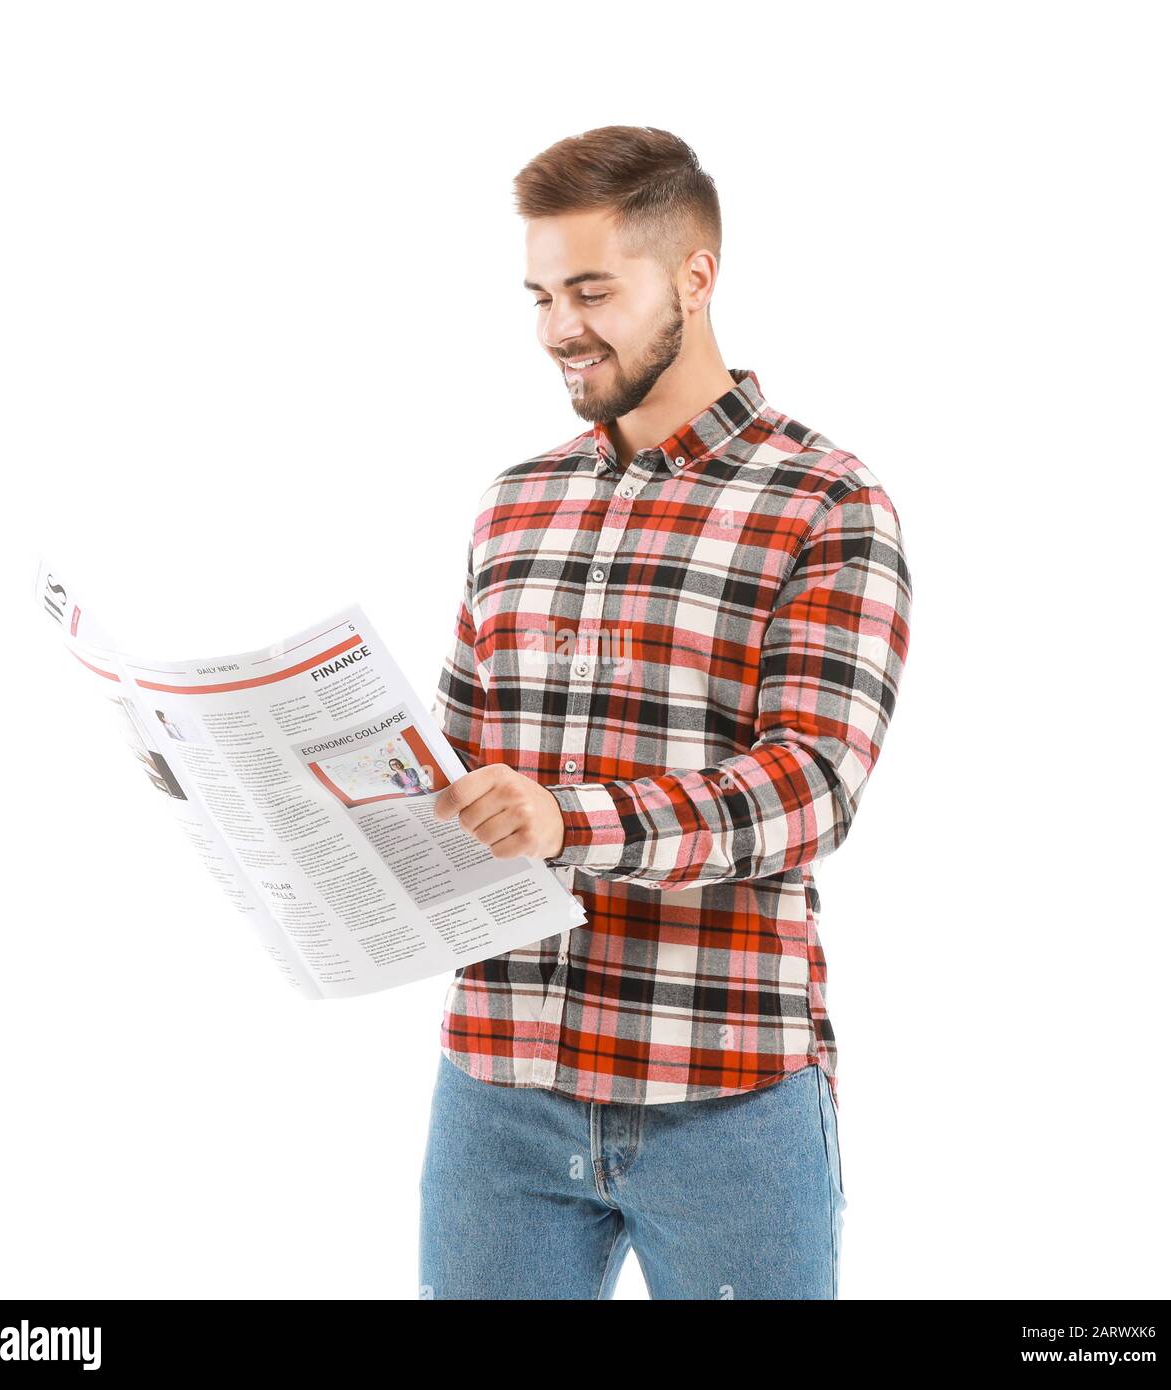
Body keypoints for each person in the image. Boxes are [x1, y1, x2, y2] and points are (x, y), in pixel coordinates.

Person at [423, 125, 913, 1300]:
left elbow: (809, 789)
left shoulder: (825, 503)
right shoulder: (515, 503)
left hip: (725, 1094)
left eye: (592, 289)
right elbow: (457, 770)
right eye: (540, 293)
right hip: (500, 1085)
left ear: (694, 278)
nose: (557, 328)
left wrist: (565, 823)